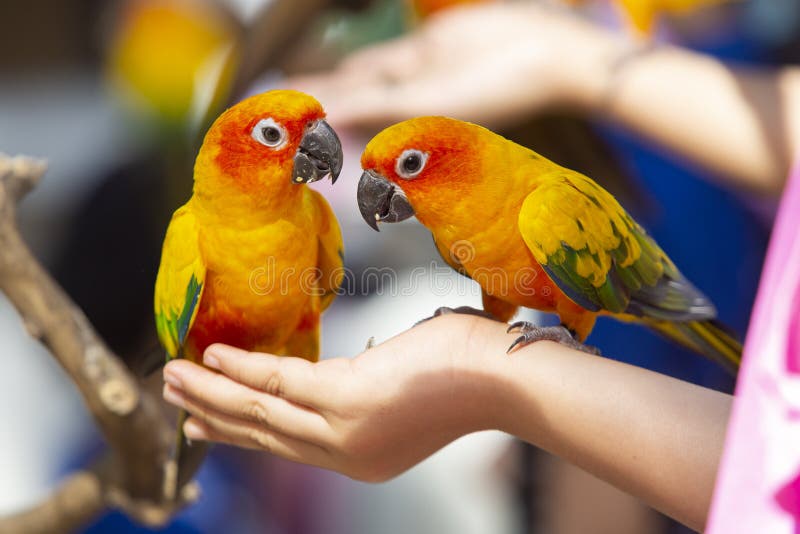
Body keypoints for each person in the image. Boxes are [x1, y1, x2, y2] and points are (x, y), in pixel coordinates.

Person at [162, 3, 797, 532]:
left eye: (407, 168)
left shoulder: (550, 211)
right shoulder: (452, 225)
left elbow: (774, 478)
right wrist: (559, 56)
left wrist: (487, 376)